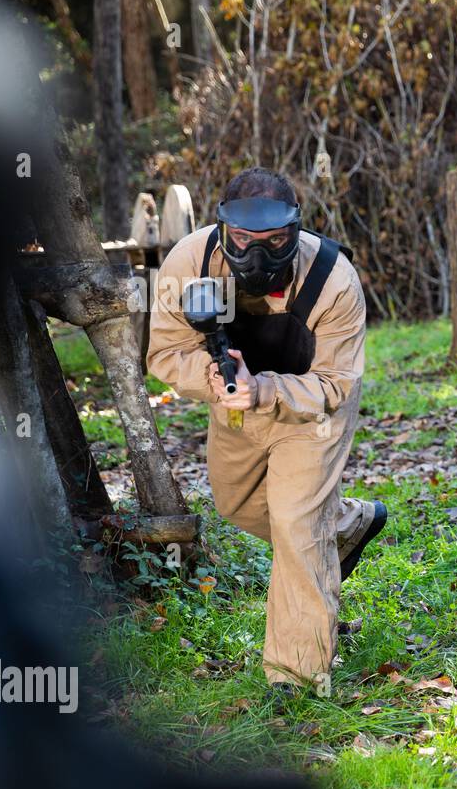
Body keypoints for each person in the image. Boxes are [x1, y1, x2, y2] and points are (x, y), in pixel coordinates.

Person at [147, 168, 387, 697]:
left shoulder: (334, 278)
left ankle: (298, 677)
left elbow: (337, 382)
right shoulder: (187, 263)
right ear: (224, 229)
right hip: (233, 404)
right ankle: (347, 526)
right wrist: (217, 378)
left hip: (311, 412)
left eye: (275, 241)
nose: (258, 254)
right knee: (236, 504)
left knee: (298, 530)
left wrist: (267, 391)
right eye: (243, 241)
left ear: (295, 230)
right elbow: (163, 354)